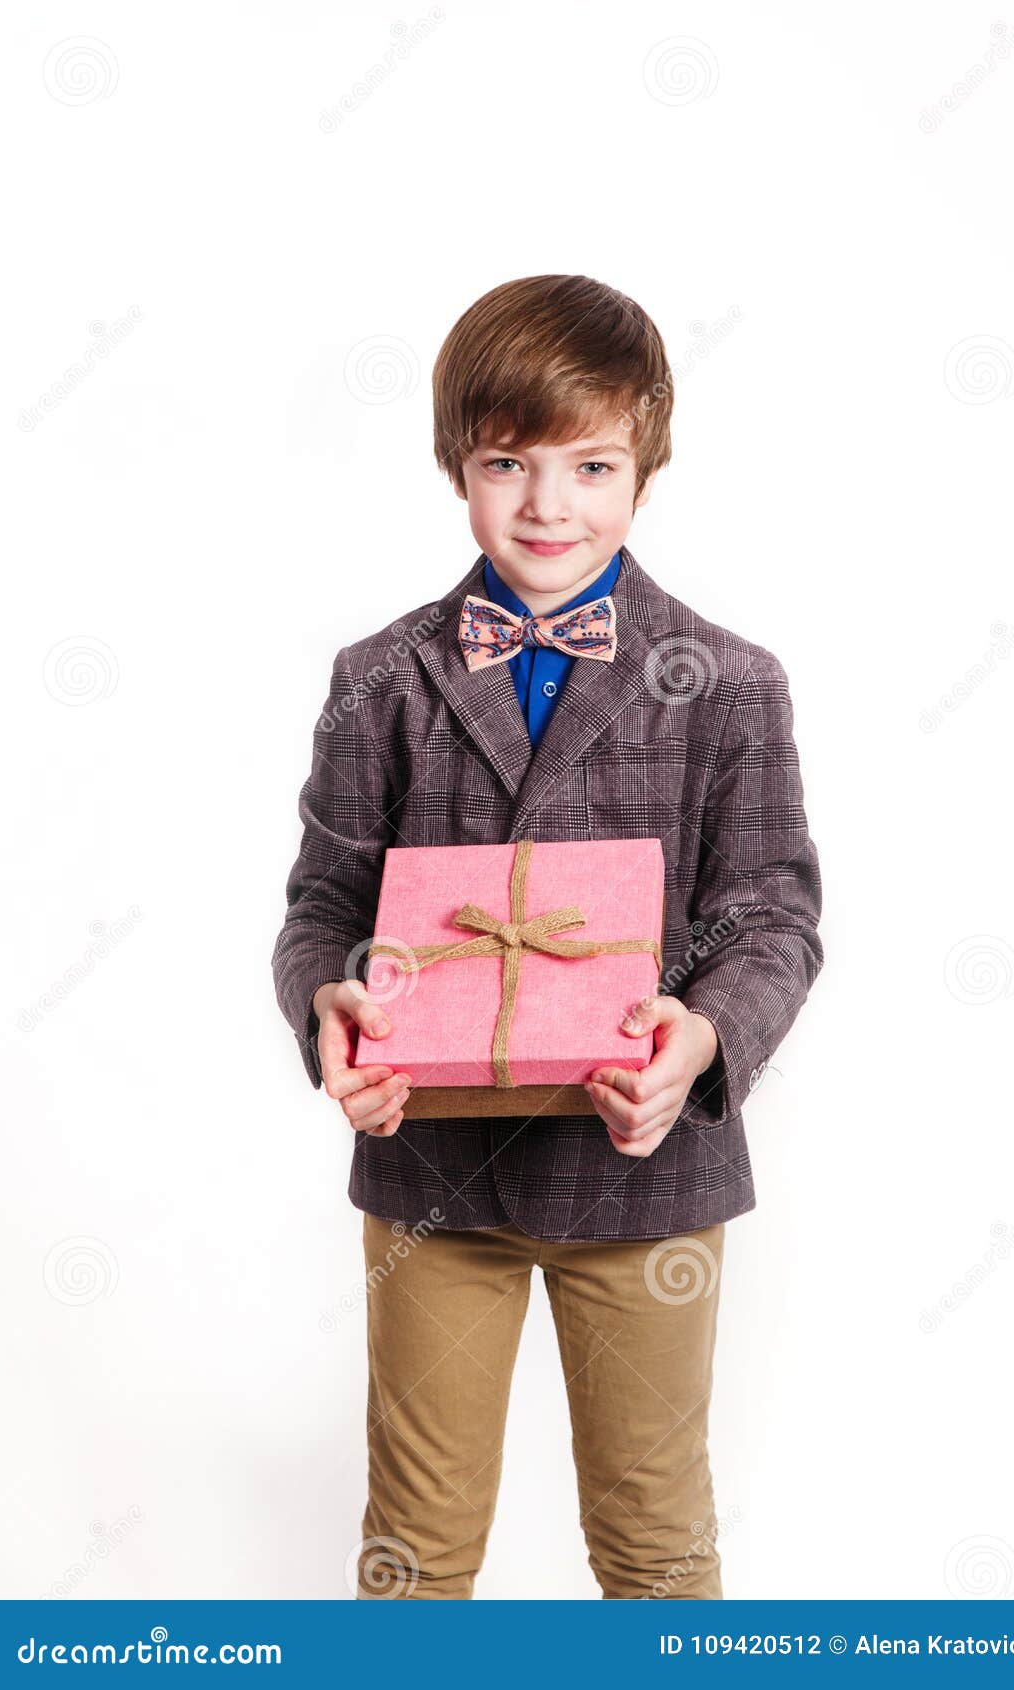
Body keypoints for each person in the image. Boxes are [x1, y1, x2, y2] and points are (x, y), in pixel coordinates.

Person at [272, 273, 824, 1599]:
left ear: (647, 469)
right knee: (415, 1547)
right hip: (432, 1186)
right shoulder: (380, 678)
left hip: (643, 1183)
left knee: (654, 1542)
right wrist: (332, 1006)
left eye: (592, 465)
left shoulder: (728, 680)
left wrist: (700, 1038)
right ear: (458, 465)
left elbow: (773, 913)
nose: (548, 505)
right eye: (507, 463)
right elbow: (325, 911)